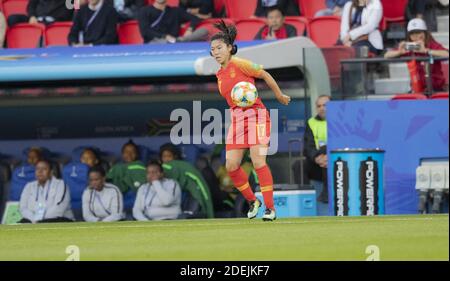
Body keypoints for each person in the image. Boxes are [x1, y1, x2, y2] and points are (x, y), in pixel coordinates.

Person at [210, 20, 291, 221]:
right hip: (237, 120)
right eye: (212, 49)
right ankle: (253, 201)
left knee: (258, 161)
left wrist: (279, 95)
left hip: (257, 117)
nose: (216, 52)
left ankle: (270, 209)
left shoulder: (241, 64)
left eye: (219, 48)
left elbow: (264, 74)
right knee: (231, 166)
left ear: (229, 48)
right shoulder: (219, 74)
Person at [384, 18, 449, 92]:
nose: (416, 36)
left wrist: (427, 51)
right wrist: (399, 52)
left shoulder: (432, 45)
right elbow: (387, 55)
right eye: (412, 34)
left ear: (424, 33)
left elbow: (447, 54)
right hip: (417, 88)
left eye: (418, 33)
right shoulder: (409, 47)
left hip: (436, 88)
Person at [18, 159, 74, 223]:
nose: (40, 171)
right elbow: (23, 208)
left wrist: (40, 219)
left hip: (58, 220)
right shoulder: (29, 186)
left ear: (51, 172)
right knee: (22, 222)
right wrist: (34, 219)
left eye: (44, 169)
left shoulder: (60, 184)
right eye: (37, 169)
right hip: (34, 221)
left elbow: (59, 209)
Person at [303, 95, 330, 216]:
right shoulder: (311, 122)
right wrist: (317, 158)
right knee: (300, 165)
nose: (322, 108)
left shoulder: (341, 121)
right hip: (319, 162)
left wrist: (328, 156)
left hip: (335, 159)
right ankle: (307, 198)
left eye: (325, 105)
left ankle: (326, 195)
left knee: (325, 149)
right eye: (319, 106)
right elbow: (308, 146)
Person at [138, 0, 208, 44]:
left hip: (176, 40)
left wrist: (190, 29)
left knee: (204, 31)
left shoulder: (175, 11)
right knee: (163, 42)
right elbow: (145, 32)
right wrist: (165, 36)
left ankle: (179, 42)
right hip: (155, 42)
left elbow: (195, 18)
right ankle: (180, 42)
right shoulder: (144, 11)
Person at [7, 0, 74, 26]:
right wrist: (32, 16)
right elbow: (31, 5)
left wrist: (54, 19)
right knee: (12, 19)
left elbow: (70, 11)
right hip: (36, 18)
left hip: (55, 20)